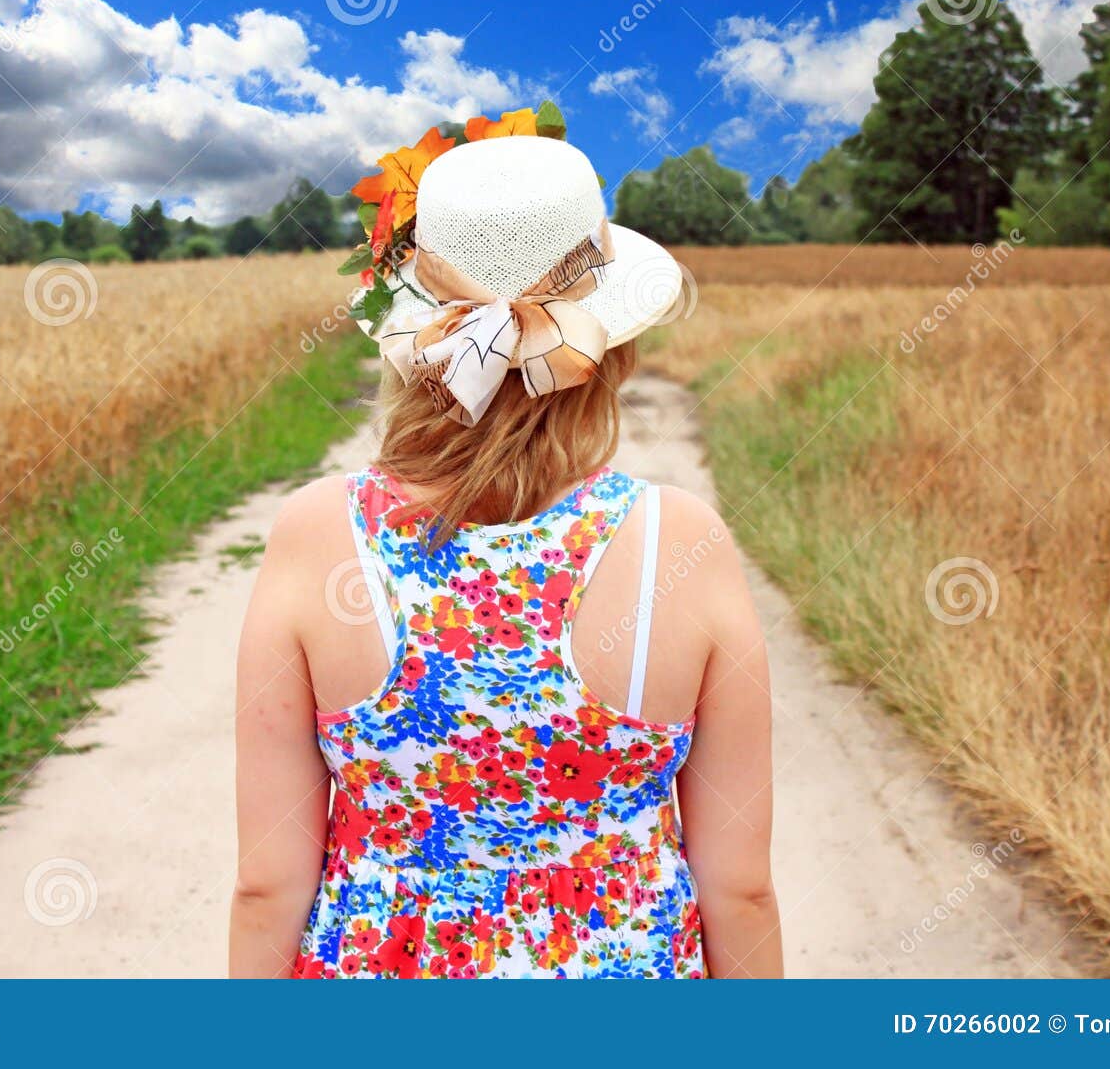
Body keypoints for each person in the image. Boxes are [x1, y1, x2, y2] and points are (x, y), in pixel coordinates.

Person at [230, 122, 780, 978]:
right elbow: (739, 890)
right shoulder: (681, 540)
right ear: (612, 348)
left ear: (418, 338)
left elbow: (268, 885)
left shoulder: (317, 535)